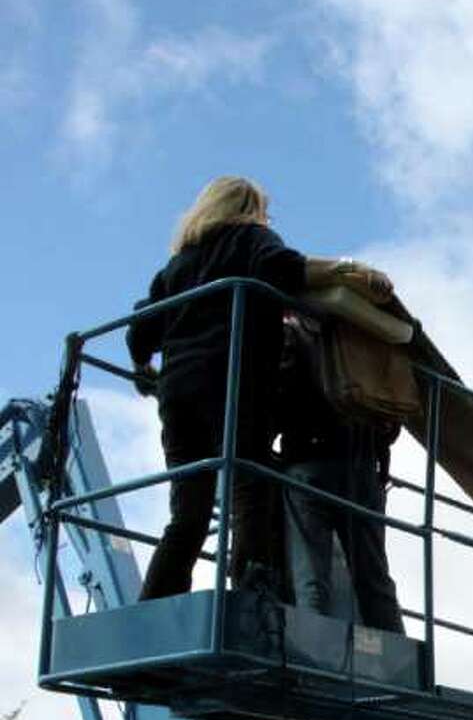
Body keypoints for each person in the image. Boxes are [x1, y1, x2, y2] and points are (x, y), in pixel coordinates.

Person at [126, 176, 393, 600]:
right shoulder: (250, 238)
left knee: (188, 514)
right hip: (233, 387)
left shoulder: (175, 267)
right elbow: (288, 269)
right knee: (250, 491)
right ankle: (253, 598)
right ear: (248, 207)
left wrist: (146, 370)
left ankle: (153, 603)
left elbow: (140, 334)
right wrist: (352, 270)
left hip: (177, 399)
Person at [277, 313, 405, 633]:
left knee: (311, 578)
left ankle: (314, 658)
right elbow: (391, 419)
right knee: (375, 580)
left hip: (310, 465)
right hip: (363, 470)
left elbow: (278, 397)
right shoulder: (360, 345)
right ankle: (398, 664)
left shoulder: (291, 335)